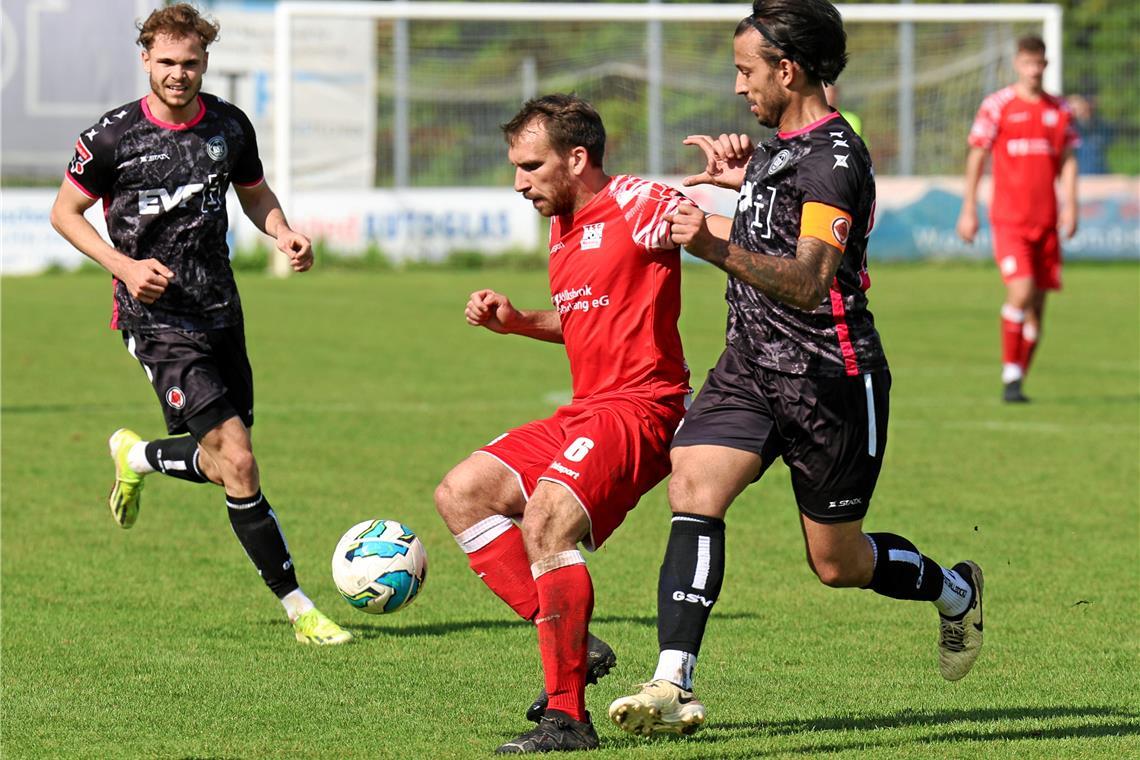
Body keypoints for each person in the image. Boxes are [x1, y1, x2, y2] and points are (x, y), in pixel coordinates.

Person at [607, 0, 984, 737]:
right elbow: (772, 224)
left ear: (789, 69)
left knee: (837, 564)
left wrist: (711, 243)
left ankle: (954, 591)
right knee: (694, 481)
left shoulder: (834, 157)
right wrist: (732, 192)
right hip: (750, 365)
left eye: (748, 71)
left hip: (829, 380)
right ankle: (671, 680)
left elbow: (811, 279)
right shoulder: (779, 145)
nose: (739, 86)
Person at [49, 4, 351, 646]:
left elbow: (254, 193)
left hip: (222, 312)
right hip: (156, 321)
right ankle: (300, 610)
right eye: (166, 62)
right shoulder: (112, 138)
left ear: (205, 62)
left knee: (223, 465)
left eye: (189, 63)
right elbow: (65, 213)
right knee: (240, 462)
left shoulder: (229, 127)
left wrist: (283, 231)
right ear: (146, 59)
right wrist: (125, 267)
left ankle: (138, 456)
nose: (178, 74)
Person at [433, 94, 693, 753]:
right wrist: (518, 321)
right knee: (462, 493)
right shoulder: (563, 226)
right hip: (587, 408)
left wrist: (745, 182)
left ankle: (568, 719)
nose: (518, 182)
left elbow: (712, 227)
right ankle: (578, 646)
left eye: (530, 166)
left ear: (577, 159)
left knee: (545, 520)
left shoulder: (637, 203)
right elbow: (584, 323)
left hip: (643, 409)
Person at [956, 35, 1080, 403]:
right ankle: (1010, 372)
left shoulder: (1059, 111)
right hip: (1009, 220)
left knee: (1037, 309)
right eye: (1027, 62)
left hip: (1047, 221)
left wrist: (1071, 205)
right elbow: (977, 154)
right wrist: (968, 208)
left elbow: (1069, 160)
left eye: (1039, 63)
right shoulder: (997, 106)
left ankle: (1016, 379)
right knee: (1021, 291)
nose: (1034, 70)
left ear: (1045, 64)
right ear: (1017, 63)